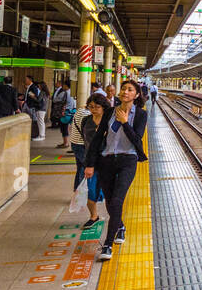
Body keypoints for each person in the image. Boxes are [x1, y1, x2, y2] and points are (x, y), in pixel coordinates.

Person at [87, 80, 148, 262]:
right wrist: (89, 163)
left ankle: (107, 244)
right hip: (107, 160)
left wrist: (125, 123)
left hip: (128, 160)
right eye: (124, 89)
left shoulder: (141, 115)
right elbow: (98, 138)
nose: (125, 92)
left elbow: (137, 141)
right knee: (110, 200)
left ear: (136, 95)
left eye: (130, 90)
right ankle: (120, 226)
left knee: (117, 200)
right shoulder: (109, 113)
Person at [74, 94, 108, 228]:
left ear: (104, 107)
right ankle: (94, 216)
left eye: (97, 107)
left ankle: (117, 219)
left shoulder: (109, 121)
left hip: (108, 160)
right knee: (90, 190)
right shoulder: (86, 120)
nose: (93, 109)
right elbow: (86, 141)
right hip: (91, 162)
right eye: (91, 107)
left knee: (111, 192)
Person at [51, 78, 72, 147]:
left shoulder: (65, 93)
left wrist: (63, 111)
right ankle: (66, 142)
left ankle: (65, 143)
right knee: (66, 127)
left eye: (63, 85)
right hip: (70, 112)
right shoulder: (72, 92)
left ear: (66, 85)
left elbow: (56, 101)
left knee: (64, 127)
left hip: (65, 113)